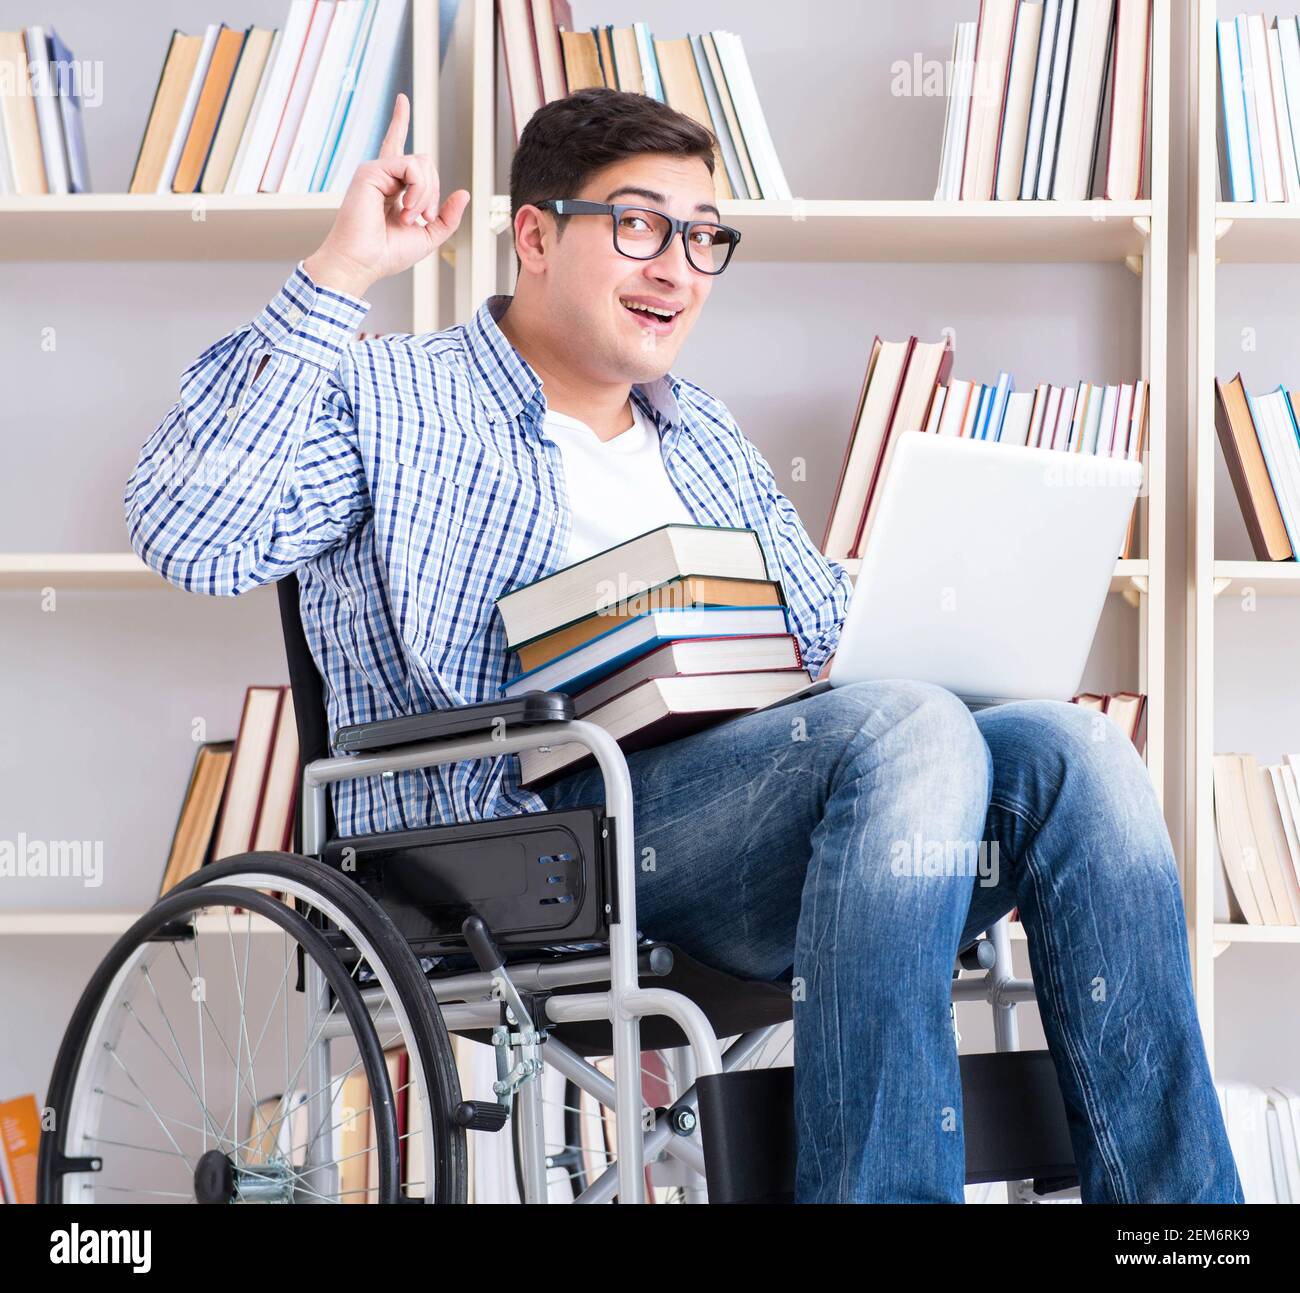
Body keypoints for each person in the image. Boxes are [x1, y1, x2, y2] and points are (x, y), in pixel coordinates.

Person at [125, 86, 1242, 1204]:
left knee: (1073, 752)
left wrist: (936, 619)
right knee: (906, 730)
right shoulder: (390, 398)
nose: (677, 267)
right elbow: (190, 536)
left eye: (703, 237)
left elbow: (824, 642)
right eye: (638, 225)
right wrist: (340, 273)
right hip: (516, 837)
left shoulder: (699, 429)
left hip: (761, 820)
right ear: (534, 235)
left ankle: (1179, 1225)